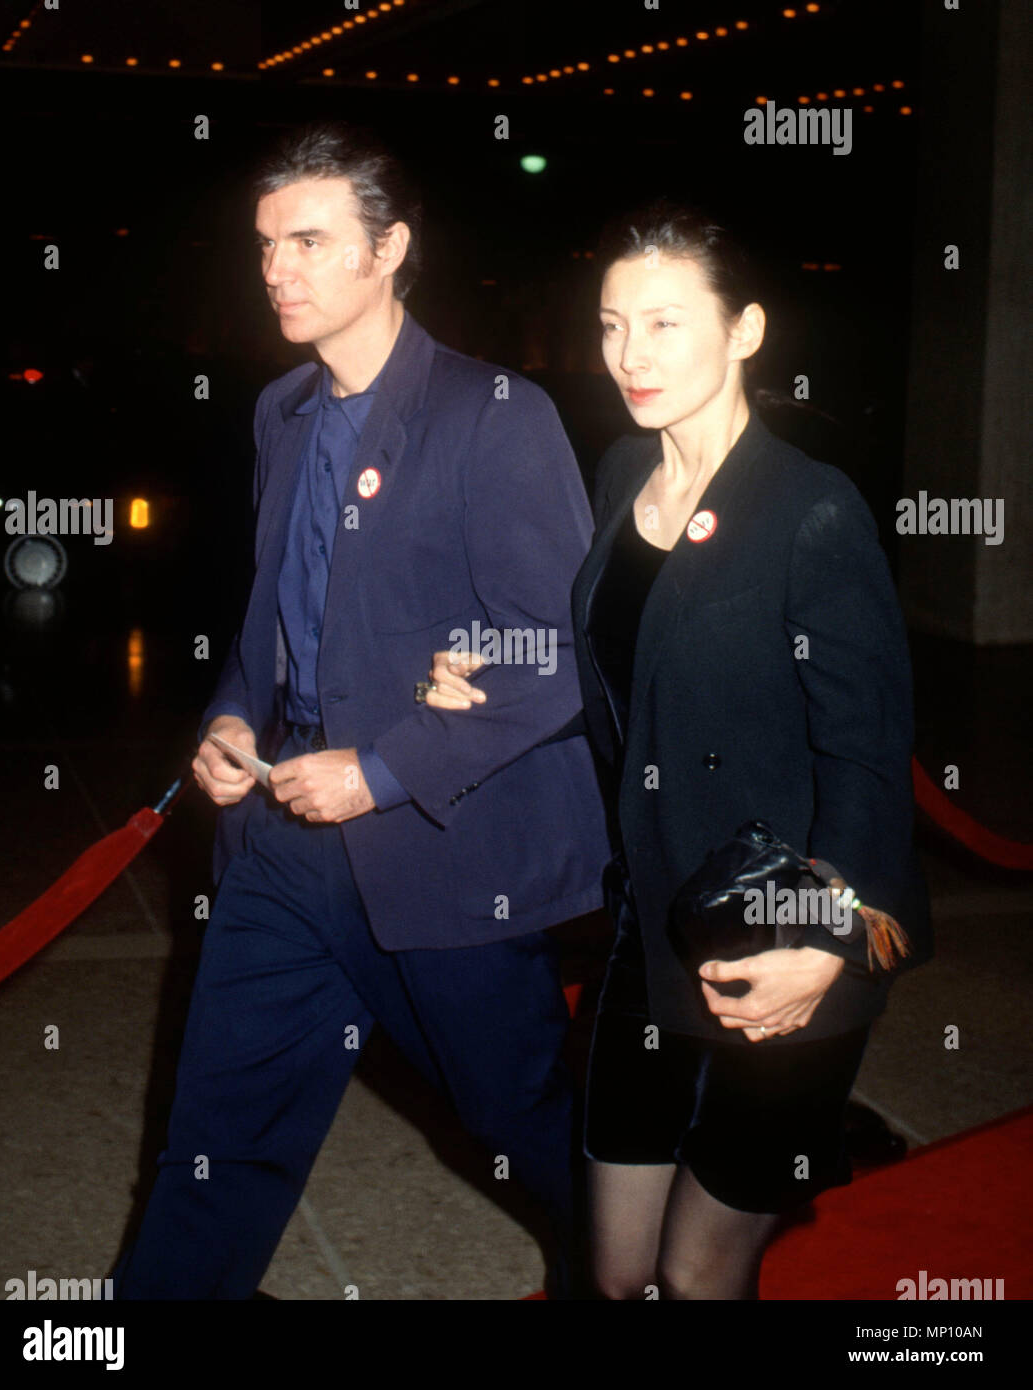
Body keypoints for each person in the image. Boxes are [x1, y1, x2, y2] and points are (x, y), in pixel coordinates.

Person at [110, 121, 611, 1300]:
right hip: (280, 845)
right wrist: (232, 723)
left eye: (309, 240)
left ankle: (659, 1264)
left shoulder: (496, 413)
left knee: (517, 1117)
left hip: (440, 851)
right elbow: (271, 622)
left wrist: (381, 770)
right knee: (215, 1133)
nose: (276, 267)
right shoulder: (280, 412)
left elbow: (555, 647)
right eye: (267, 243)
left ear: (389, 249)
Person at [423, 201, 932, 1300]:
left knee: (701, 1275)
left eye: (662, 323)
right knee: (611, 1272)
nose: (628, 355)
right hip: (645, 930)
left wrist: (832, 935)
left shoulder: (811, 511)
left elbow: (866, 749)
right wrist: (491, 670)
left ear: (744, 330)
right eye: (611, 325)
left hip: (783, 939)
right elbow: (616, 667)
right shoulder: (619, 476)